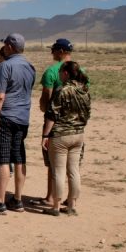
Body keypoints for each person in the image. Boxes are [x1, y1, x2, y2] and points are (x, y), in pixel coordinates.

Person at [0, 33, 36, 215]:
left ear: (10, 47)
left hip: (5, 117)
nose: (3, 47)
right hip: (23, 117)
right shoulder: (30, 67)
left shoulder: (5, 66)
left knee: (3, 159)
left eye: (5, 45)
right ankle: (18, 200)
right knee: (19, 158)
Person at [41, 61, 91, 216]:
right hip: (78, 134)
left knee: (59, 171)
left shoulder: (62, 90)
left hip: (60, 135)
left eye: (61, 73)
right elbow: (87, 113)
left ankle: (56, 206)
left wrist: (45, 135)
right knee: (74, 171)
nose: (60, 75)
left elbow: (52, 114)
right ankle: (72, 204)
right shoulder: (84, 90)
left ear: (66, 73)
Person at [36, 38, 73, 207]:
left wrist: (46, 110)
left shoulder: (51, 72)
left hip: (55, 123)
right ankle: (71, 199)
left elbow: (46, 101)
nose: (52, 53)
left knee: (53, 163)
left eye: (53, 50)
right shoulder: (81, 71)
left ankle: (51, 197)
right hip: (75, 123)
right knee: (72, 165)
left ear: (60, 51)